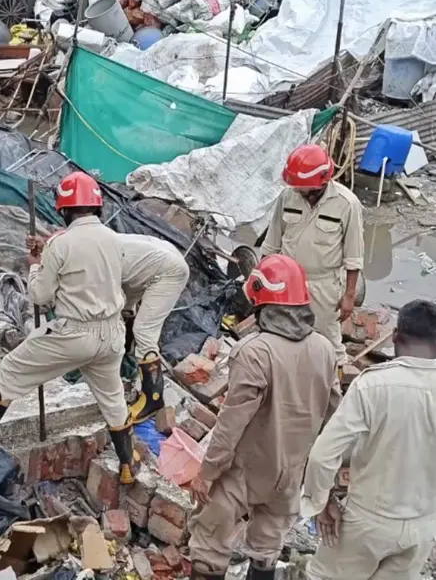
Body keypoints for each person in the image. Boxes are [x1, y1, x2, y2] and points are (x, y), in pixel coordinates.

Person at [0, 172, 141, 484]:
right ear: (96, 207)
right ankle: (128, 464)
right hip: (112, 333)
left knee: (10, 369)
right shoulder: (114, 239)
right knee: (112, 399)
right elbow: (89, 264)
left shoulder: (61, 244)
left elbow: (40, 296)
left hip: (75, 332)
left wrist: (36, 263)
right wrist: (50, 252)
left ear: (64, 209)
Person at [186, 254, 341, 580]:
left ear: (261, 302)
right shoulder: (325, 349)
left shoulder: (255, 351)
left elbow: (232, 421)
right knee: (266, 548)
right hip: (290, 474)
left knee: (209, 544)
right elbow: (334, 415)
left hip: (246, 471)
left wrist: (209, 471)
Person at [302, 299, 436, 580]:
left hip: (367, 520)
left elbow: (322, 456)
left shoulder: (373, 384)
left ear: (396, 335)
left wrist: (321, 504)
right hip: (422, 527)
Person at [261, 144, 364, 378]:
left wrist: (349, 296)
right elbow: (271, 243)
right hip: (285, 282)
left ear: (321, 180)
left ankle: (333, 387)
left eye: (299, 184)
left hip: (323, 284)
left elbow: (354, 256)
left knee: (328, 340)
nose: (295, 188)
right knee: (282, 331)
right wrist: (262, 279)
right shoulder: (288, 197)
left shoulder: (347, 204)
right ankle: (287, 378)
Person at [119, 234, 190, 424]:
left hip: (168, 270)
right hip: (154, 261)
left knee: (144, 330)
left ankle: (153, 399)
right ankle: (124, 361)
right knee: (124, 309)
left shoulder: (91, 257)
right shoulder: (96, 241)